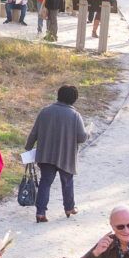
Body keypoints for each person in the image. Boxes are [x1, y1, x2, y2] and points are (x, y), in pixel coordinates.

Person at [25, 84, 87, 222]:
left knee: (45, 183)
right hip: (66, 156)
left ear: (58, 95)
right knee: (67, 182)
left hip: (46, 155)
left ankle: (40, 212)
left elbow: (34, 132)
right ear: (74, 99)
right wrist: (87, 134)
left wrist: (28, 147)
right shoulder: (75, 115)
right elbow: (82, 137)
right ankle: (69, 208)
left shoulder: (45, 111)